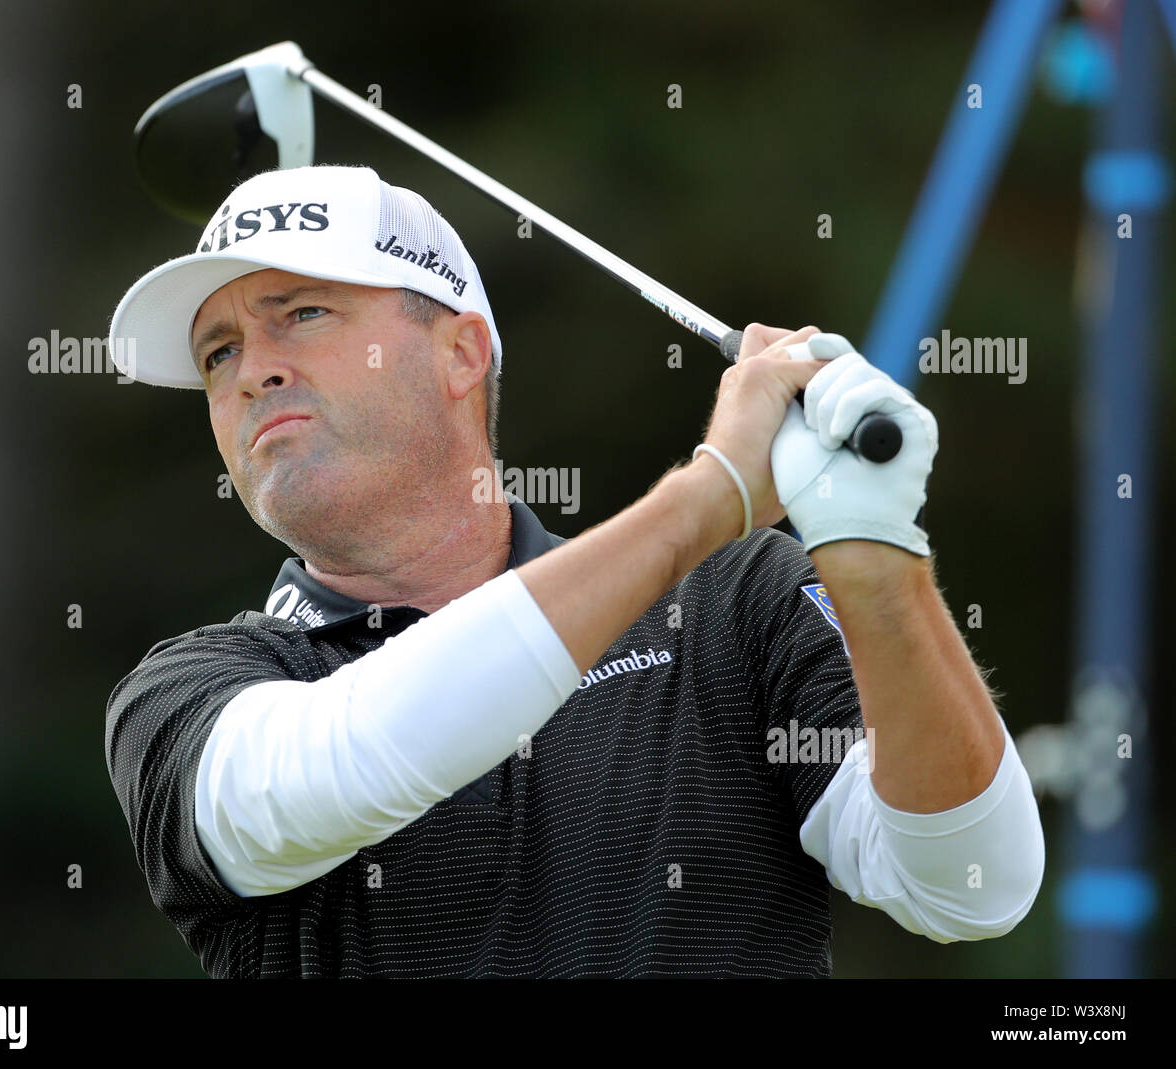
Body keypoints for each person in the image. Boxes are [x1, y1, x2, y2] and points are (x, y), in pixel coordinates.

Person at [104, 163, 1044, 978]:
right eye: (218, 351)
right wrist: (705, 499)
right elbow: (344, 760)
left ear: (461, 351)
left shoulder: (732, 599)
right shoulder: (193, 691)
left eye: (302, 314)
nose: (251, 371)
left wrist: (879, 564)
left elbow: (972, 884)